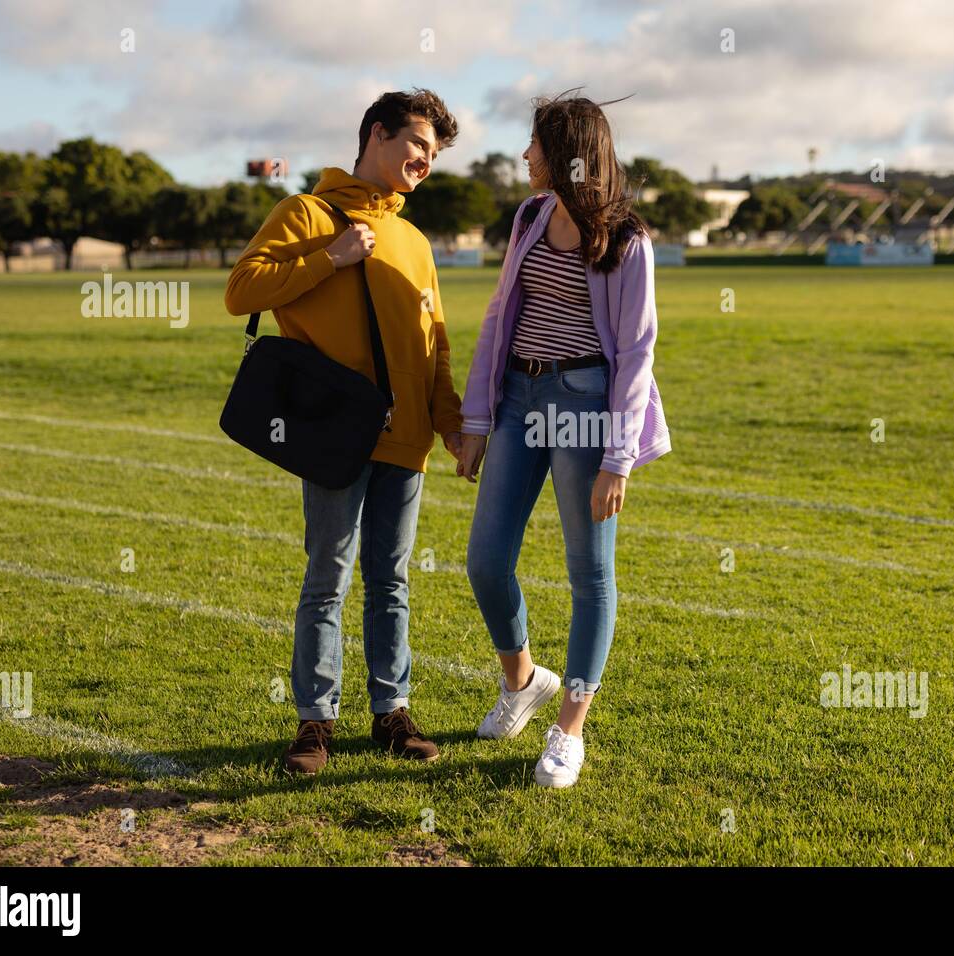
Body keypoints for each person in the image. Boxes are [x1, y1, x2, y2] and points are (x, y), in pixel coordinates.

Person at [224, 88, 463, 775]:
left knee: (391, 581)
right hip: (334, 432)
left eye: (434, 153)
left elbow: (434, 342)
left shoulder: (415, 241)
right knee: (327, 576)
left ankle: (392, 713)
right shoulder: (307, 212)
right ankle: (314, 725)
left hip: (408, 436)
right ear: (377, 134)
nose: (425, 160)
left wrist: (449, 424)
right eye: (417, 143)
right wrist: (329, 257)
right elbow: (242, 290)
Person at [457, 90, 671, 788]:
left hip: (586, 408)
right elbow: (500, 316)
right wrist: (476, 419)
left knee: (590, 576)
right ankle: (522, 680)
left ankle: (568, 728)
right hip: (520, 398)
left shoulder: (629, 240)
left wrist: (620, 459)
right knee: (486, 559)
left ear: (568, 154)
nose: (525, 156)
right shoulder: (528, 216)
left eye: (536, 145)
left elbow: (636, 353)